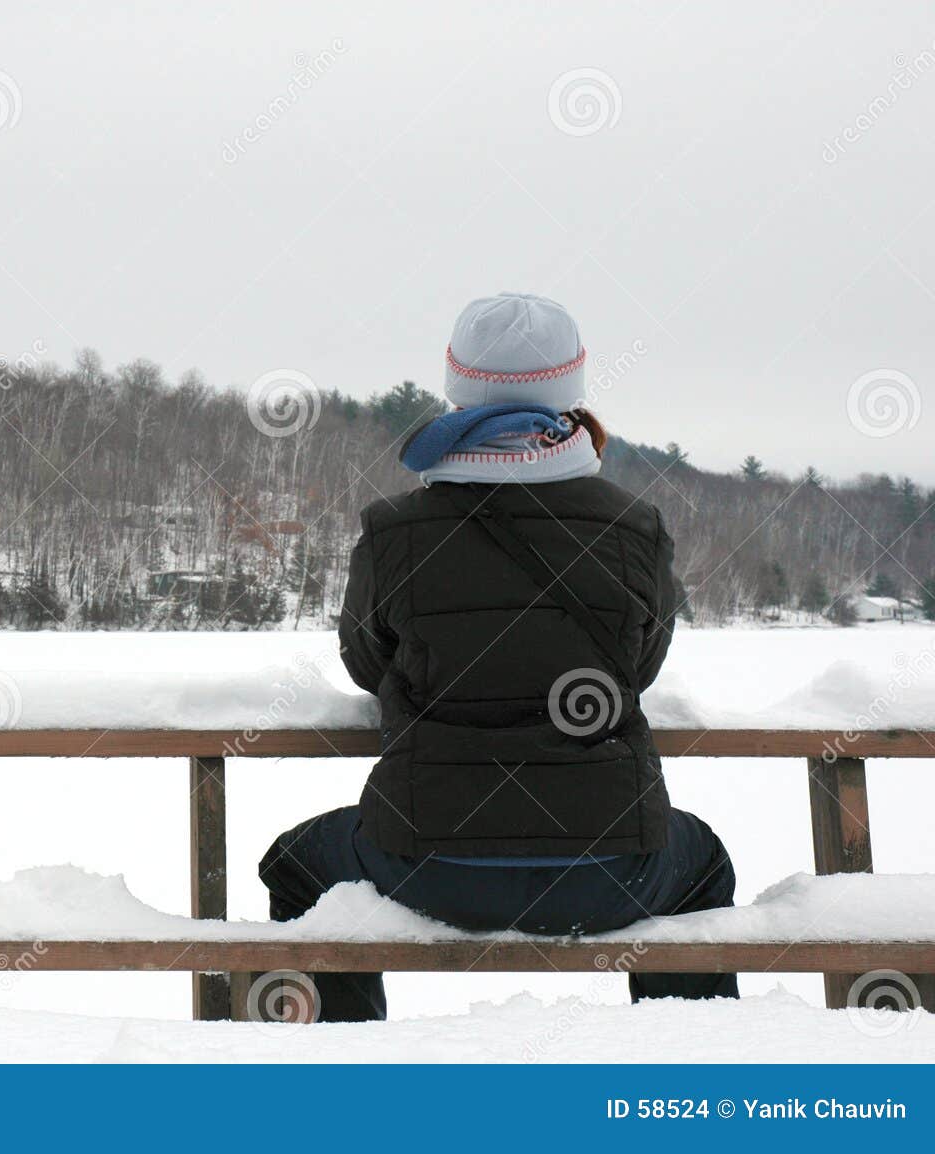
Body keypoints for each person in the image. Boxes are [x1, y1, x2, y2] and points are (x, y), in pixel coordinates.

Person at [258, 293, 737, 1022]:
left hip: (423, 866)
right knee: (702, 866)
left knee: (297, 865)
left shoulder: (394, 530)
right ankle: (683, 1068)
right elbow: (638, 669)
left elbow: (365, 663)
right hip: (613, 870)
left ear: (456, 387)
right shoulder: (635, 528)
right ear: (572, 391)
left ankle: (344, 1077)